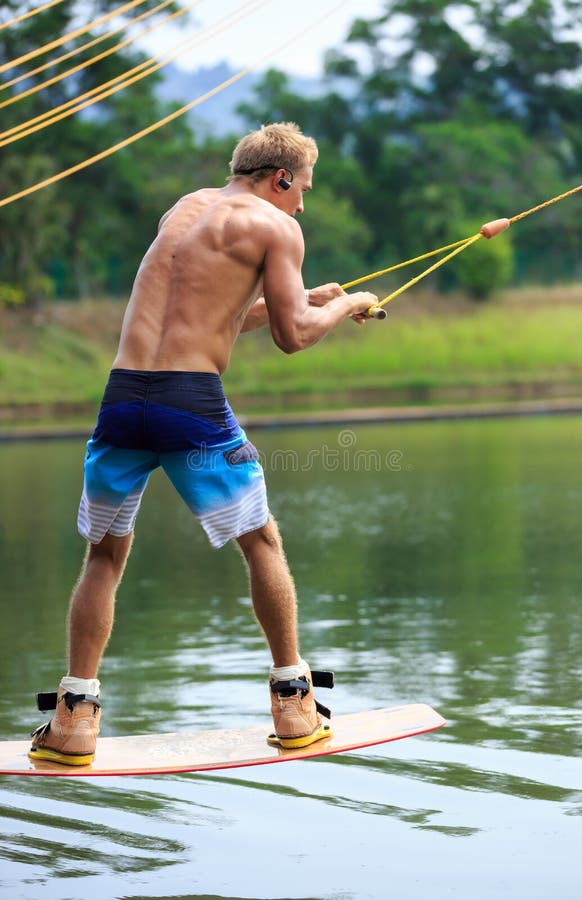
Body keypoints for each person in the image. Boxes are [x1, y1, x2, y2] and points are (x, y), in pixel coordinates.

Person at [29, 122, 379, 766]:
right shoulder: (278, 226)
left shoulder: (184, 208)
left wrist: (305, 299)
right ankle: (295, 704)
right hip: (190, 406)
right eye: (302, 188)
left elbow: (218, 315)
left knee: (103, 557)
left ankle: (74, 719)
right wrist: (347, 303)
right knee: (262, 541)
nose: (302, 203)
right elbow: (293, 337)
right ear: (280, 178)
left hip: (122, 400)